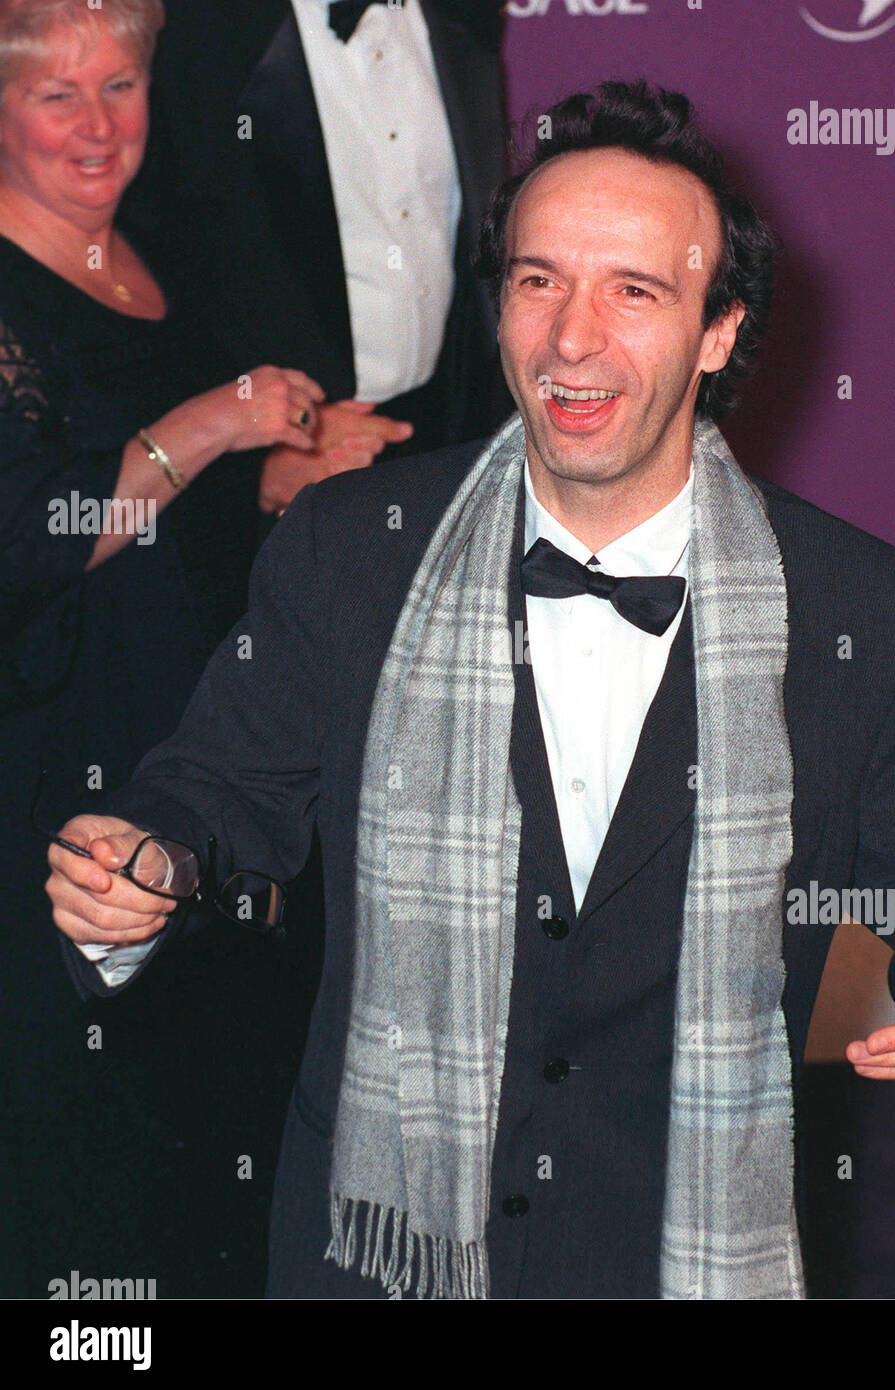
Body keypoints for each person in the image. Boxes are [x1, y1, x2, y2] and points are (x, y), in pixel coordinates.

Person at [46, 82, 895, 1300]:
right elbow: (211, 797)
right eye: (538, 282)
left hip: (673, 1262)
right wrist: (143, 868)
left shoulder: (866, 615)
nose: (571, 339)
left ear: (720, 328)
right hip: (373, 1258)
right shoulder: (350, 547)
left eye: (634, 291)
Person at [0, 0, 323, 1295]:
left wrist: (286, 470)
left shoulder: (150, 253)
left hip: (196, 750)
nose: (98, 126)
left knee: (214, 1131)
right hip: (57, 763)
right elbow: (33, 533)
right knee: (83, 1150)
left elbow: (169, 527)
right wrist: (221, 415)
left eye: (120, 87)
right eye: (56, 93)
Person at [121, 0, 511, 517]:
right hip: (255, 492)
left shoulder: (465, 11)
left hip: (445, 457)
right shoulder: (184, 23)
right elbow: (136, 263)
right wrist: (250, 467)